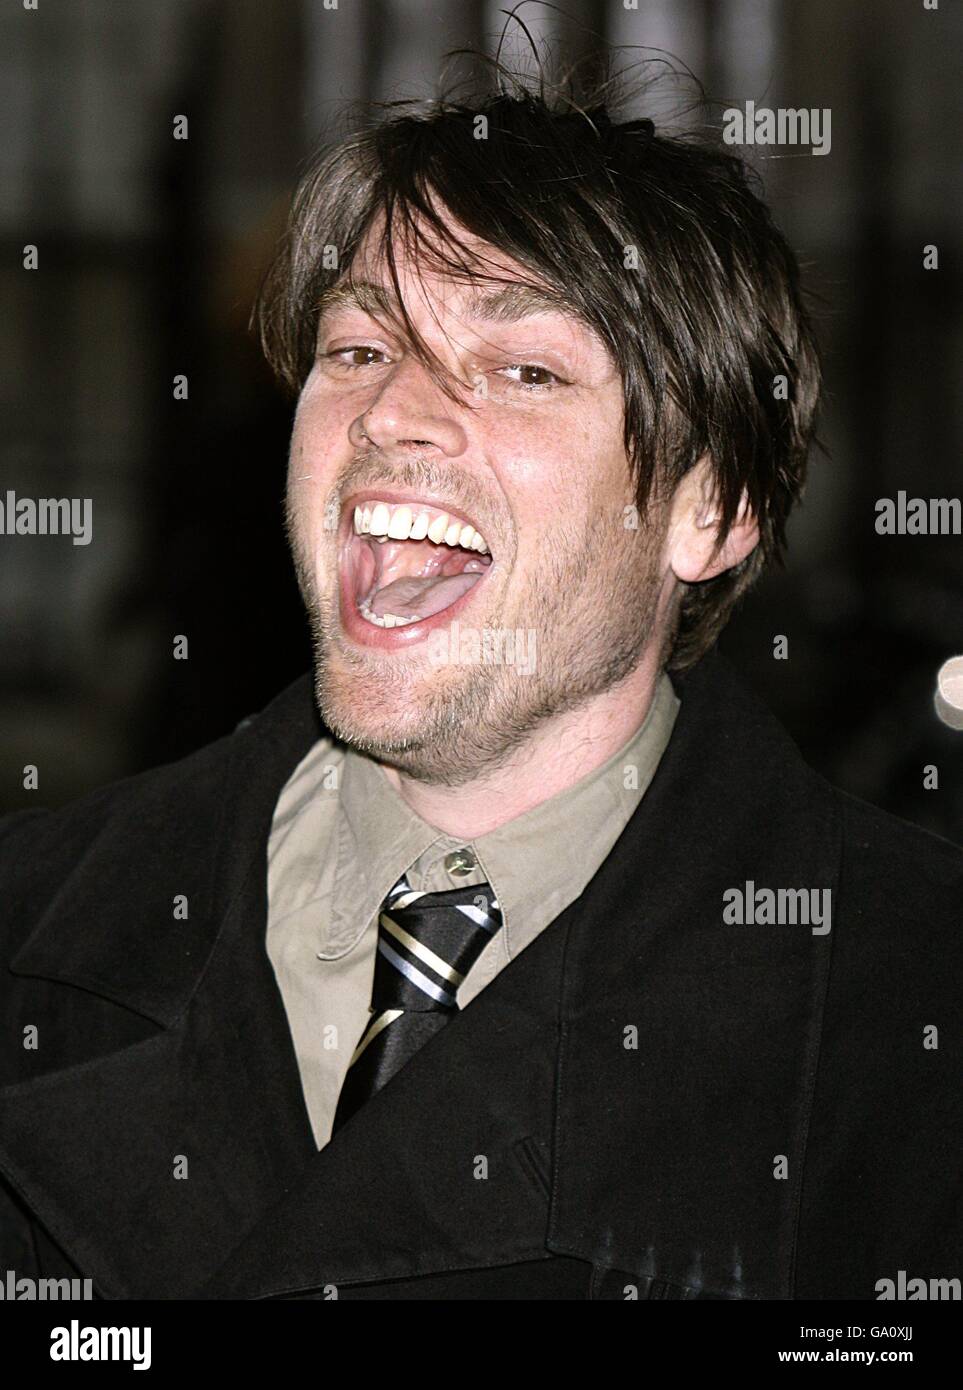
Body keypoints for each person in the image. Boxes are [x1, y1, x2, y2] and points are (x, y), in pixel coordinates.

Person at [1, 71, 960, 1302]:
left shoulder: (912, 1012)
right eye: (359, 346)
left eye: (523, 370)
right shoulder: (35, 928)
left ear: (711, 510)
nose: (393, 411)